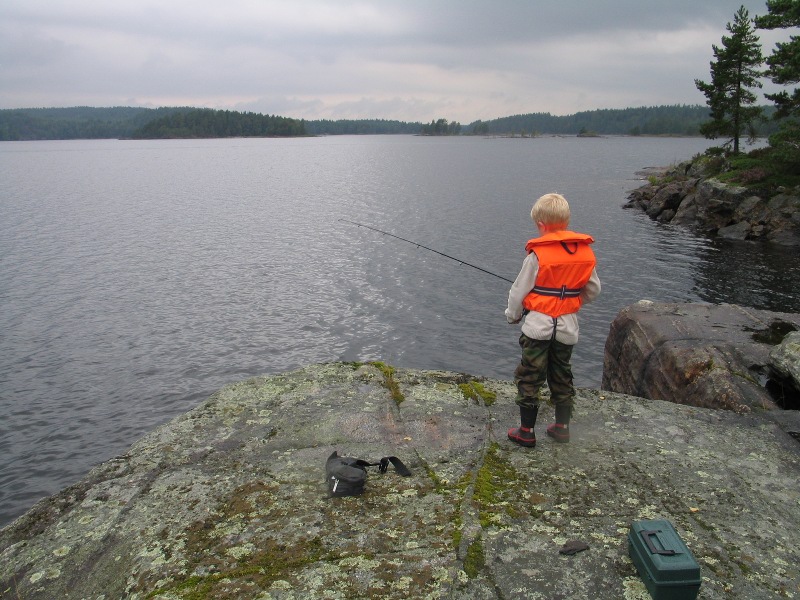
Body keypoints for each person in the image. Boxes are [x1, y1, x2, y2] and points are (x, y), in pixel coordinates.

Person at [505, 193, 601, 447]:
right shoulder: (584, 254)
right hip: (567, 327)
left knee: (530, 376)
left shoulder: (538, 255)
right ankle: (562, 428)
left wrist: (513, 316)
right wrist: (571, 303)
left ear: (541, 225)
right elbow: (593, 291)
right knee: (562, 375)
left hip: (538, 327)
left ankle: (526, 431)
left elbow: (518, 291)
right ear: (566, 221)